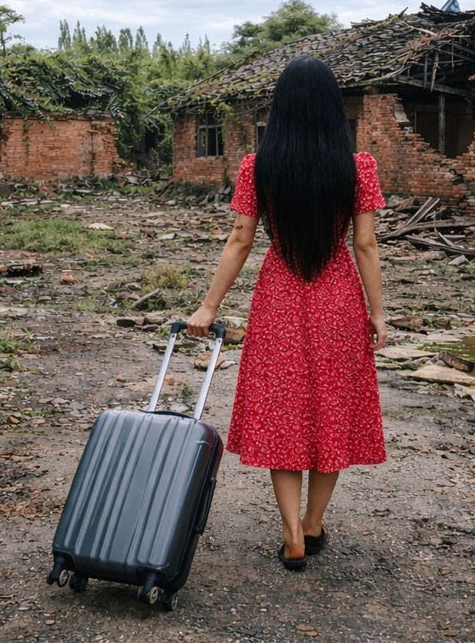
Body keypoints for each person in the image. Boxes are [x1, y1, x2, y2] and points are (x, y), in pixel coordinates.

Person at [186, 55, 388, 572]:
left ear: (279, 109)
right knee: (331, 412)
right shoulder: (358, 166)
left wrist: (209, 307)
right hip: (338, 297)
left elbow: (240, 239)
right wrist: (378, 312)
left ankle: (291, 532)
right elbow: (364, 245)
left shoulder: (258, 166)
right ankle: (316, 523)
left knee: (284, 413)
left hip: (278, 296)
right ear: (330, 107)